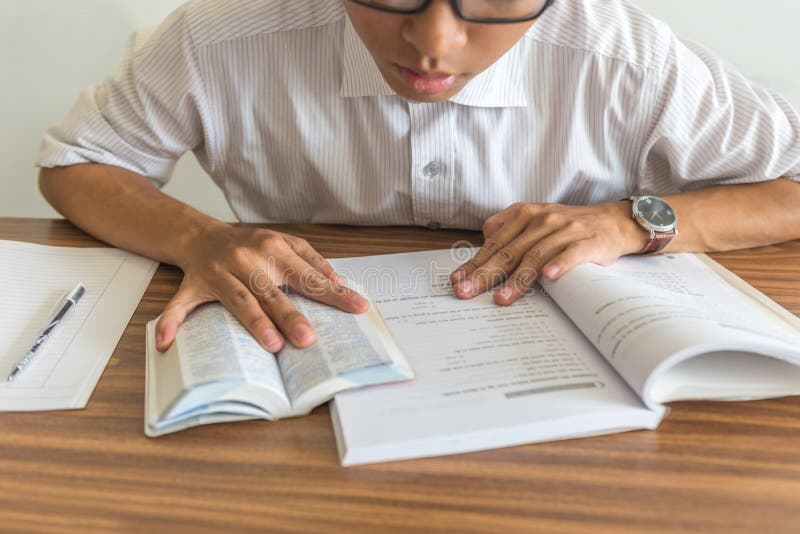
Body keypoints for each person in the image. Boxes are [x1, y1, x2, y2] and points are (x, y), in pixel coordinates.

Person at [37, 0, 800, 354]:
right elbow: (76, 162)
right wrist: (198, 235)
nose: (435, 41)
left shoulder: (628, 58)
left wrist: (632, 221)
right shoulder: (219, 37)